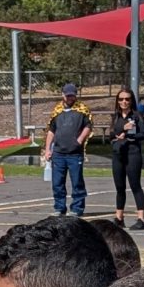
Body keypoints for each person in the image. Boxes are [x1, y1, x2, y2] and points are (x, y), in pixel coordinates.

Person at [42, 82, 93, 217]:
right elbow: (51, 131)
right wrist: (48, 149)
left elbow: (88, 126)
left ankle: (77, 208)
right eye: (68, 95)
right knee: (57, 182)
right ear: (63, 95)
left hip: (75, 154)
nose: (71, 98)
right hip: (58, 153)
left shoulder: (82, 110)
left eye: (73, 95)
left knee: (77, 182)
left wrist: (79, 140)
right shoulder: (57, 111)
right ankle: (59, 207)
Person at [108, 86, 144, 227]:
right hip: (118, 154)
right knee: (119, 187)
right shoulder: (116, 117)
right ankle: (119, 218)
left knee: (135, 185)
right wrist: (120, 132)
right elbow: (111, 135)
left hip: (132, 153)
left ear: (131, 101)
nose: (124, 102)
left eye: (127, 99)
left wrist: (130, 135)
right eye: (121, 99)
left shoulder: (136, 116)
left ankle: (141, 219)